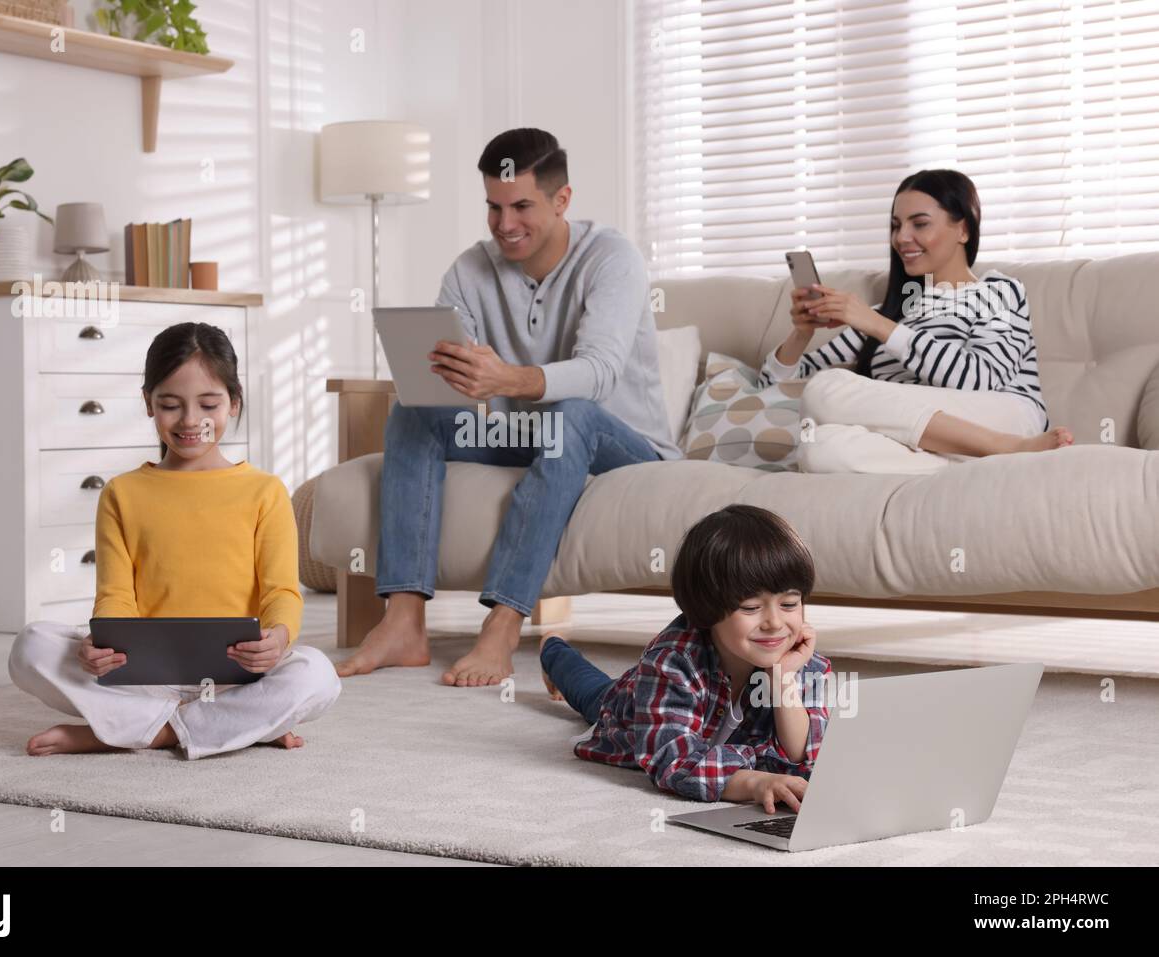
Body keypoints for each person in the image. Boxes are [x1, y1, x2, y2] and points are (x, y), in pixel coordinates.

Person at [337, 128, 680, 687]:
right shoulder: (471, 270)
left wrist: (509, 379)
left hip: (624, 445)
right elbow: (447, 379)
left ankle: (502, 624)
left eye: (522, 206)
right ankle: (403, 621)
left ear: (562, 199)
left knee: (570, 413)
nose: (504, 224)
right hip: (526, 432)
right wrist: (454, 379)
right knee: (414, 408)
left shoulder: (612, 258)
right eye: (493, 207)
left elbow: (599, 373)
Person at [9, 323, 341, 759]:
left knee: (317, 675)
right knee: (31, 646)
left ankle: (147, 732)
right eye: (170, 405)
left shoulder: (265, 491)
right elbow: (115, 597)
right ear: (148, 403)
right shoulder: (122, 494)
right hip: (145, 678)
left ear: (234, 403)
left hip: (239, 675)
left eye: (209, 404)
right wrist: (103, 647)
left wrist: (277, 639)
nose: (190, 421)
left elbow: (280, 590)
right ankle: (234, 725)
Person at [756, 169, 1074, 474]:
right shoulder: (890, 311)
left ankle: (1005, 445)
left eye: (919, 224)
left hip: (1002, 415)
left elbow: (980, 378)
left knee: (826, 387)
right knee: (819, 449)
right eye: (896, 225)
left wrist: (877, 325)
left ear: (963, 229)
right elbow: (771, 389)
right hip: (926, 438)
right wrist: (801, 334)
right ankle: (986, 460)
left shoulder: (998, 291)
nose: (902, 237)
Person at [540, 504, 833, 809]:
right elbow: (672, 761)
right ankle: (553, 647)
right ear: (707, 609)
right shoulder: (673, 662)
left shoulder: (796, 659)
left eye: (789, 604)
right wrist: (755, 781)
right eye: (750, 608)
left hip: (691, 711)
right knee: (591, 690)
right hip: (628, 706)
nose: (774, 623)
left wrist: (782, 679)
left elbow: (804, 756)